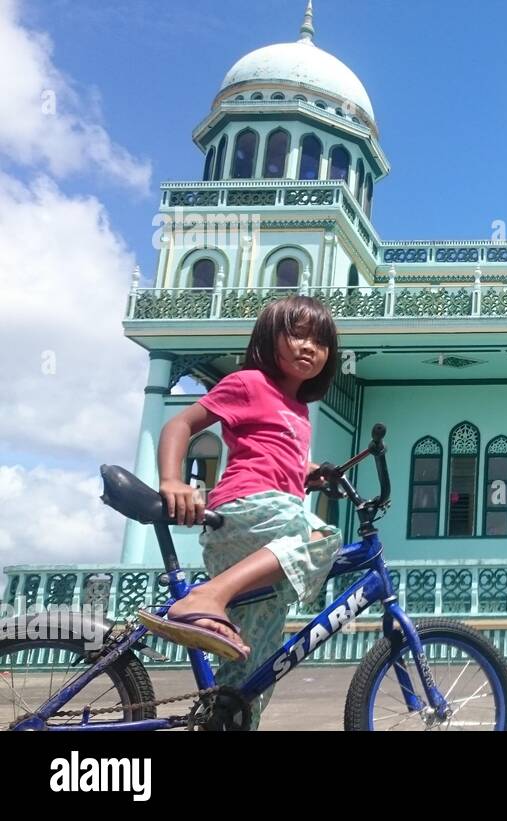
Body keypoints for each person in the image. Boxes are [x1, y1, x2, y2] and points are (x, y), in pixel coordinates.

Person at [138, 295, 344, 728]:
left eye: (319, 341)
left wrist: (305, 473)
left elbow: (269, 454)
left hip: (271, 521)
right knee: (323, 536)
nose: (308, 347)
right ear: (269, 338)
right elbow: (180, 424)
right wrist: (173, 481)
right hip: (245, 511)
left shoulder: (301, 411)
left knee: (253, 674)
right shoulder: (249, 383)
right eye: (296, 334)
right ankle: (208, 595)